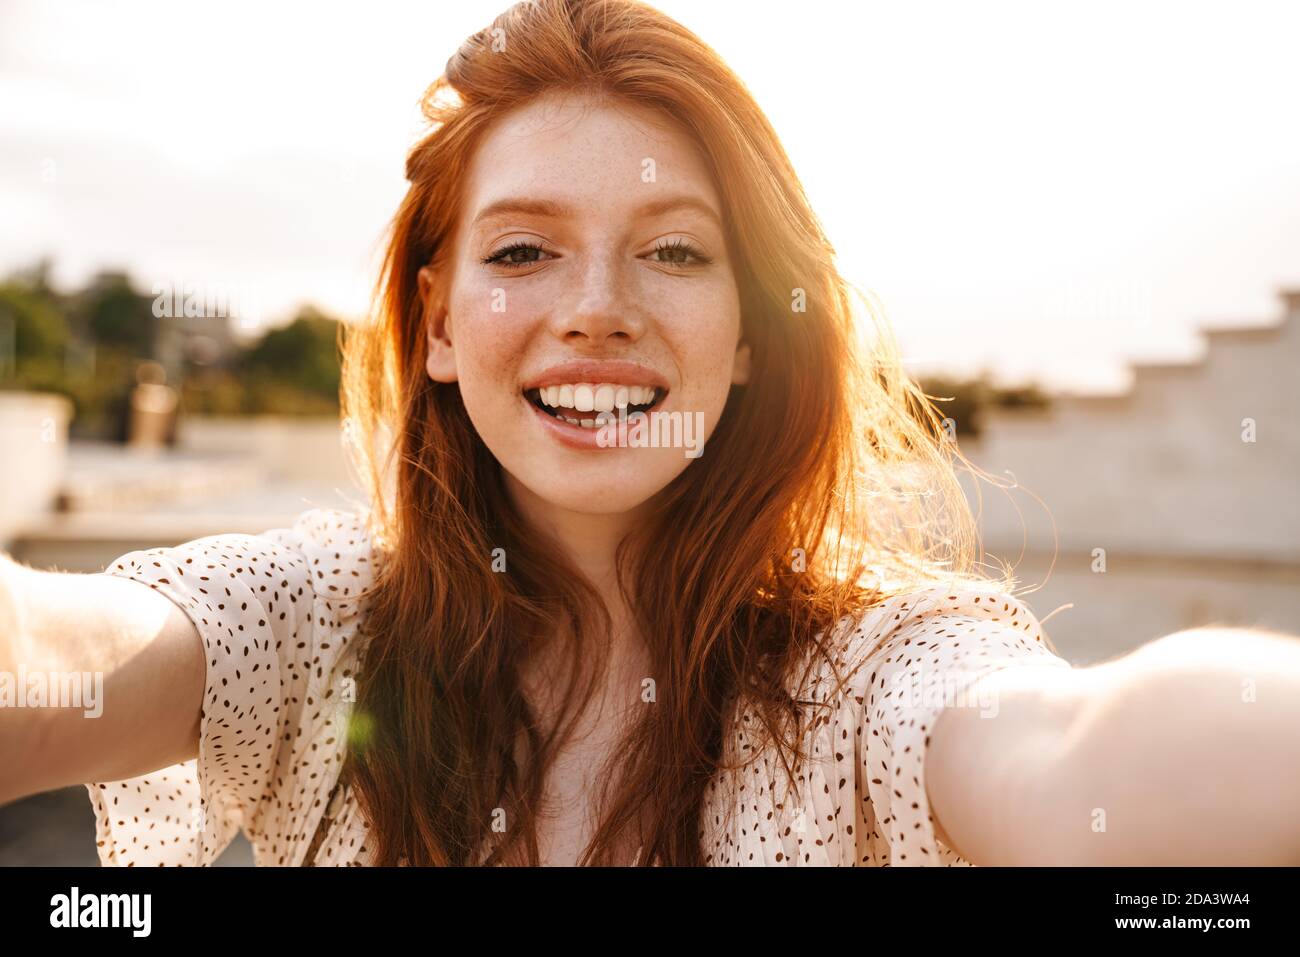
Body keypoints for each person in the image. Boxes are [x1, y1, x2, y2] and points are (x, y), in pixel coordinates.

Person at [2, 0, 1299, 867]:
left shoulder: (875, 675)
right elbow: (60, 652)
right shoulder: (308, 622)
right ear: (439, 325)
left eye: (674, 249)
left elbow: (1077, 754)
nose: (598, 312)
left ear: (749, 333)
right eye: (525, 250)